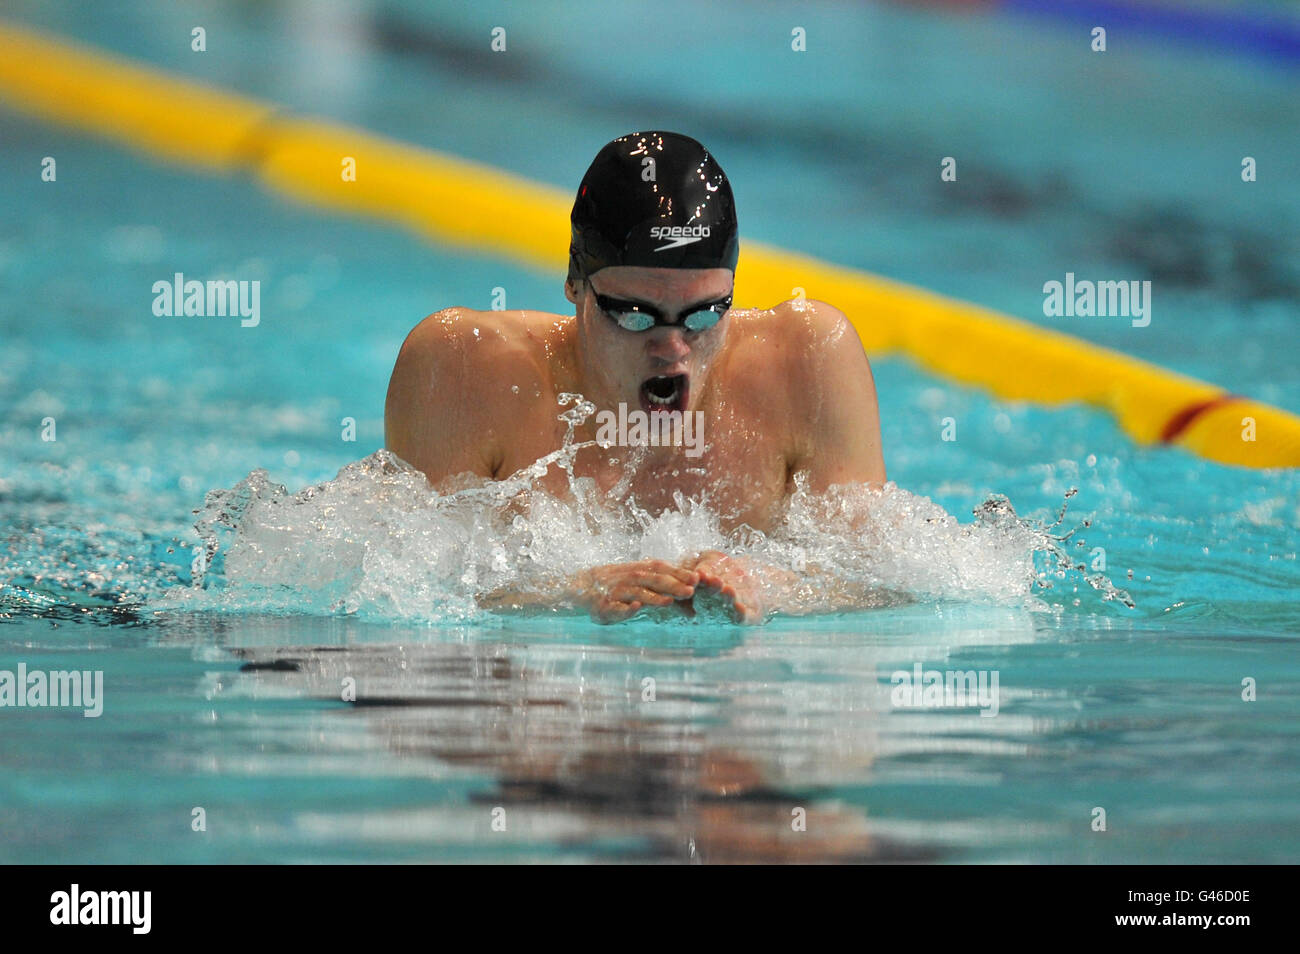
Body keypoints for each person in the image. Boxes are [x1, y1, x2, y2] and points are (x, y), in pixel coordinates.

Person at [385, 131, 885, 623]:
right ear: (575, 283)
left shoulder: (808, 359)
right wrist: (569, 593)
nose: (672, 349)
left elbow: (886, 581)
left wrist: (770, 587)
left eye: (703, 315)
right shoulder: (465, 367)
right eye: (636, 316)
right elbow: (405, 587)